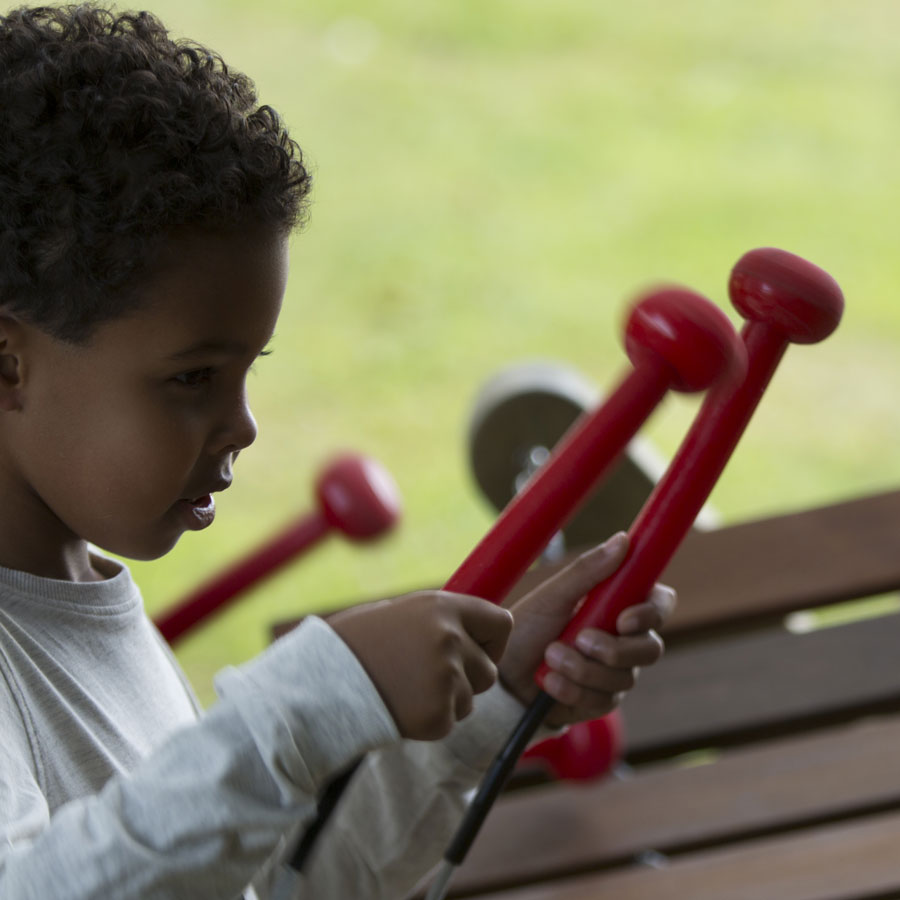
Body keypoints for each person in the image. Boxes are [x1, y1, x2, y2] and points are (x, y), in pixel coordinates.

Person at [0, 5, 675, 898]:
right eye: (192, 379)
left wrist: (486, 707)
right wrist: (308, 708)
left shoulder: (79, 606)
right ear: (10, 363)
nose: (242, 426)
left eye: (244, 373)